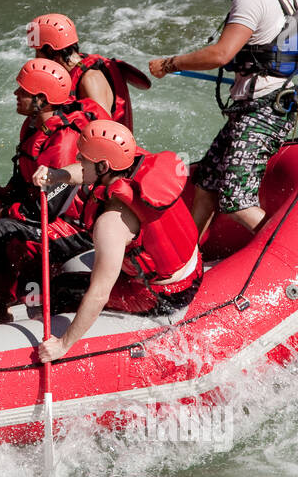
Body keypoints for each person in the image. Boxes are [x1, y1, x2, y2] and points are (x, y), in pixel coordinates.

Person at [147, 0, 298, 236]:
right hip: (268, 103)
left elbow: (220, 55)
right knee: (206, 184)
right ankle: (188, 259)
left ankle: (286, 253)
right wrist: (277, 66)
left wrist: (169, 64)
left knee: (237, 201)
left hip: (261, 112)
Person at [38, 120, 202, 362]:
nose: (78, 162)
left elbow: (99, 294)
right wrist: (58, 175)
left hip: (164, 295)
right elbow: (86, 173)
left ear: (104, 166)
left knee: (63, 288)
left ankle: (72, 345)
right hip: (192, 265)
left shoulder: (111, 224)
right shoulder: (133, 161)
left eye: (82, 158)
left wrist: (63, 345)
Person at [0, 58, 106, 320]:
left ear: (42, 100)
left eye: (23, 91)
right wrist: (0, 200)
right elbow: (23, 178)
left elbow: (50, 208)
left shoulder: (64, 143)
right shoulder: (35, 125)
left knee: (3, 231)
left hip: (75, 226)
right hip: (42, 208)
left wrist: (6, 212)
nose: (15, 94)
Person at [27, 12, 150, 130]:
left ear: (50, 50)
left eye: (37, 52)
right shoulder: (75, 68)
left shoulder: (90, 79)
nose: (36, 58)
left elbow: (103, 133)